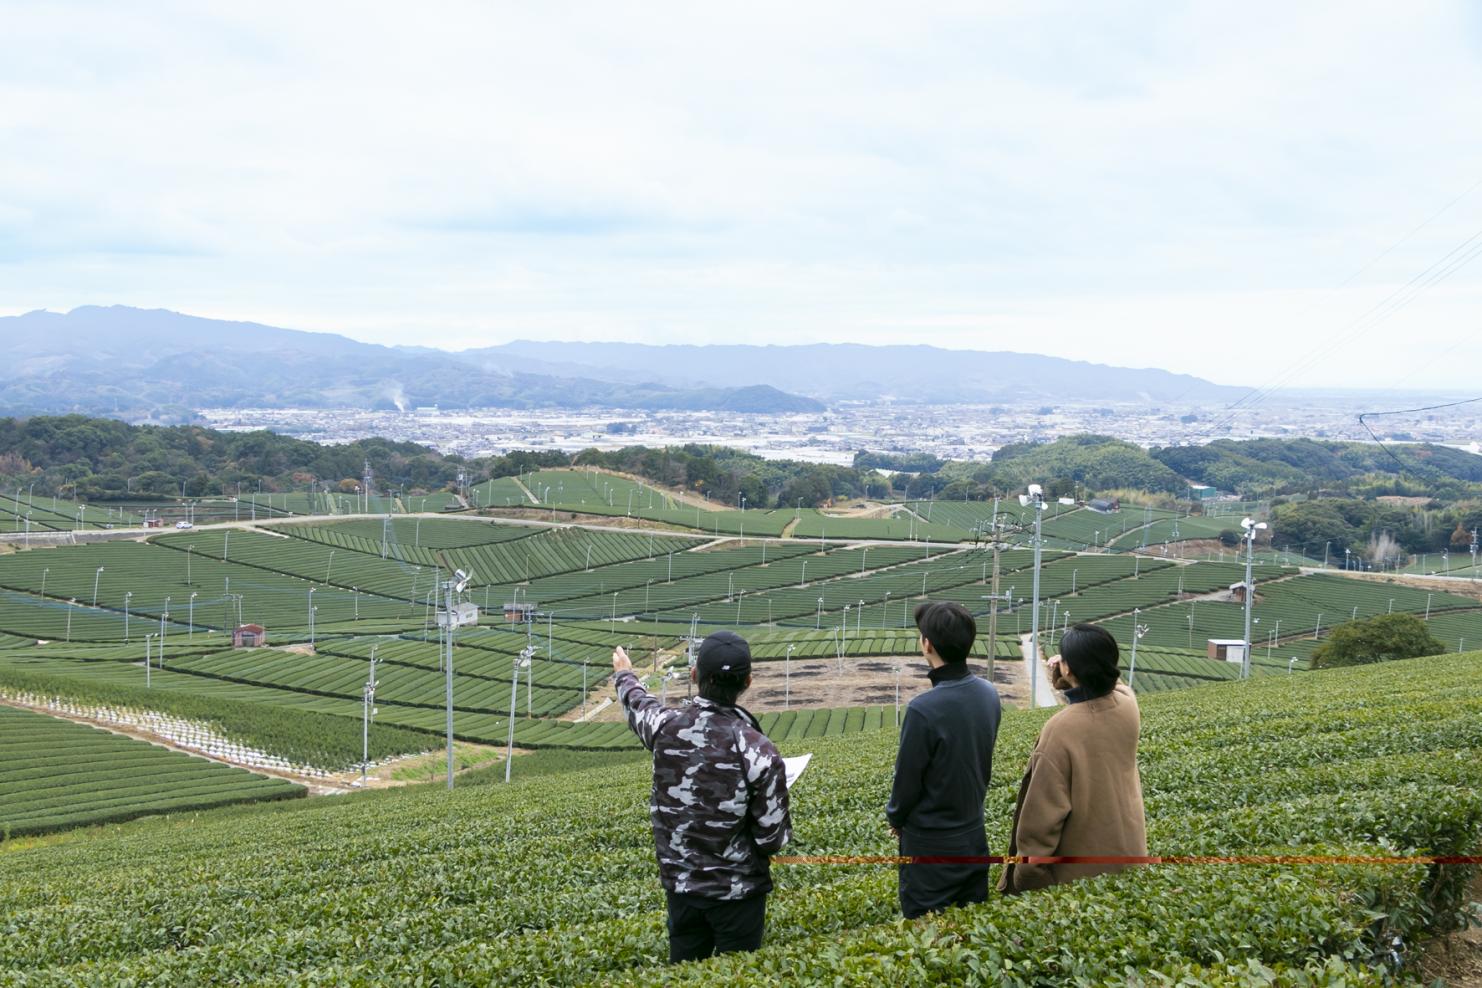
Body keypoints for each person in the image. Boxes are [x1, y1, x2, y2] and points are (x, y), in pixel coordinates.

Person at [613, 631, 792, 963]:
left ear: (694, 675)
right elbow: (773, 839)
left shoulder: (665, 727)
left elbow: (637, 704)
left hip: (681, 891)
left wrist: (625, 673)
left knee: (684, 974)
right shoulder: (759, 751)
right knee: (736, 977)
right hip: (737, 896)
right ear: (748, 682)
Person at [999, 623, 1147, 894]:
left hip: (1081, 877)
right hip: (1129, 857)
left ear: (1068, 668)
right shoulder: (1128, 704)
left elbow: (1040, 823)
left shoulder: (1060, 730)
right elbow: (1111, 686)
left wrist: (1024, 881)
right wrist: (1070, 669)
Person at [885, 601, 1003, 919]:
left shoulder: (924, 709)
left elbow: (907, 779)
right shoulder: (988, 693)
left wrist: (895, 818)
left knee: (926, 934)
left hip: (930, 845)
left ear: (927, 644)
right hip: (973, 834)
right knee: (972, 927)